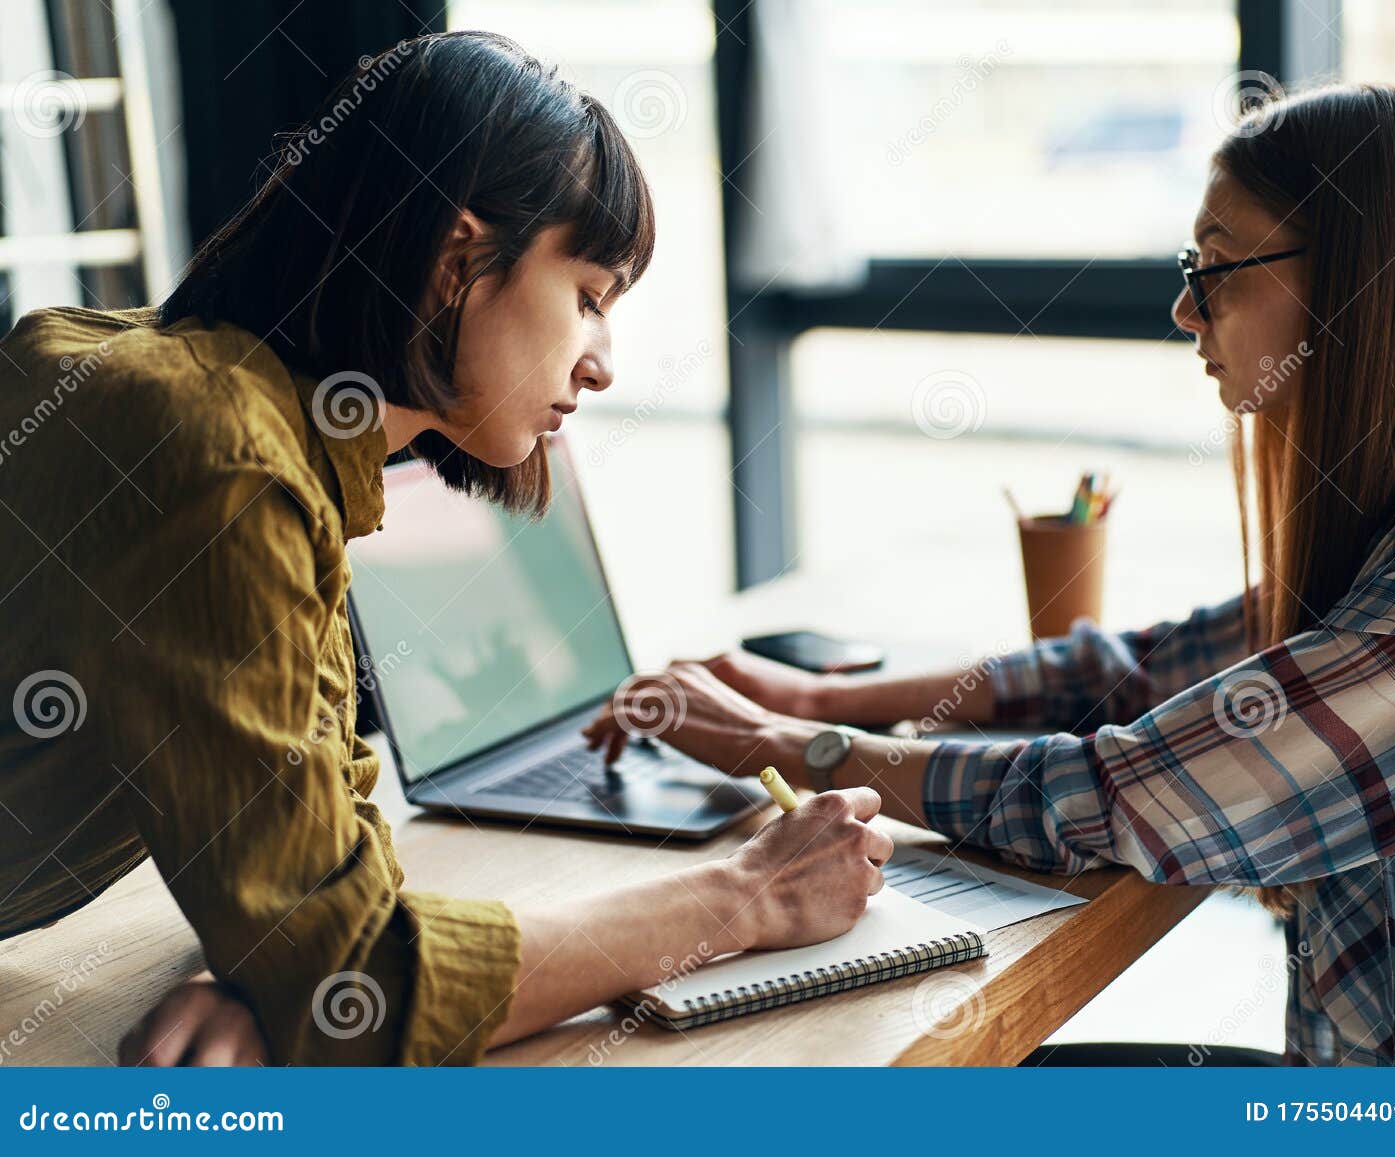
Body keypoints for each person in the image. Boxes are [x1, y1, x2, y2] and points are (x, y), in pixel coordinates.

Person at [586, 84, 1395, 1066]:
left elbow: (1135, 790)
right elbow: (1134, 670)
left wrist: (796, 749)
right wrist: (821, 695)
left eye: (1215, 267)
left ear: (1355, 280)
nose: (1183, 308)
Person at [0, 31, 891, 1067]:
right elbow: (356, 980)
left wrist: (263, 967)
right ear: (457, 260)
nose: (603, 363)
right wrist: (749, 893)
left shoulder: (225, 417)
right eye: (591, 298)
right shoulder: (224, 460)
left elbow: (329, 892)